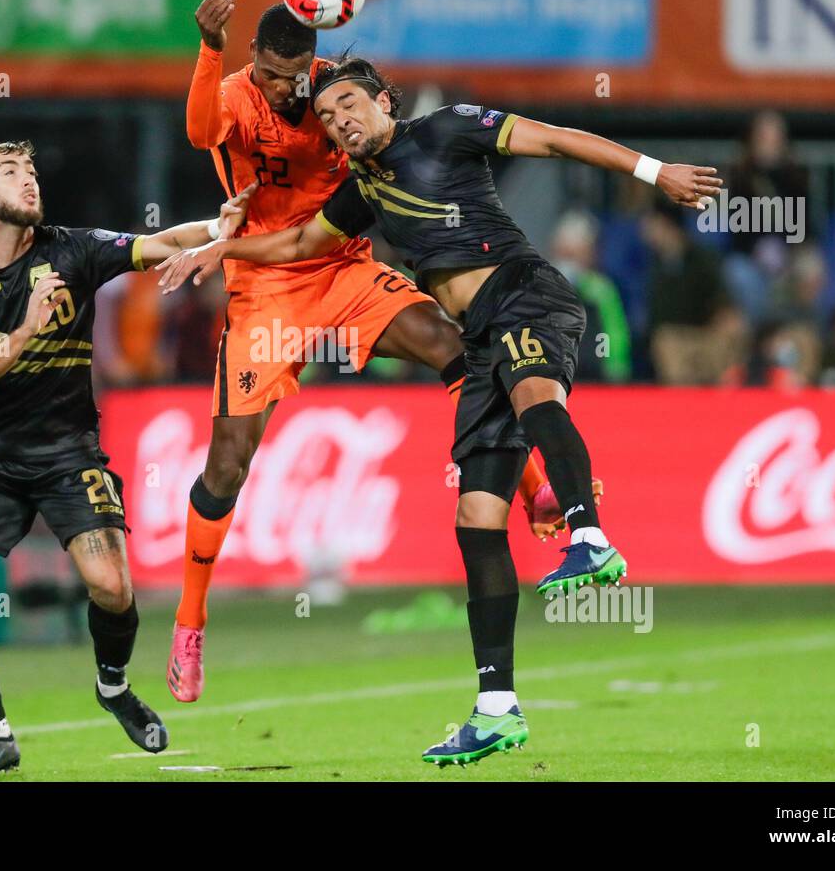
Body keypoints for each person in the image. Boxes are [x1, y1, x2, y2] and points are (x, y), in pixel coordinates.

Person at [158, 56, 722, 765]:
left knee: (534, 393)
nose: (339, 123)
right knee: (477, 518)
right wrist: (222, 247)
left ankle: (591, 535)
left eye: (349, 107)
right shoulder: (362, 190)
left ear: (385, 101)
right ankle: (497, 709)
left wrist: (653, 172)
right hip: (480, 338)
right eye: (328, 119)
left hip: (523, 293)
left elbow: (552, 139)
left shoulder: (448, 129)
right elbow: (302, 242)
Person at [168, 0, 595, 703]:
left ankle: (535, 490)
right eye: (275, 75)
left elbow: (385, 131)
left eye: (296, 74)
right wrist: (209, 49)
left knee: (457, 346)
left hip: (341, 264)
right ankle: (189, 620)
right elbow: (198, 129)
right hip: (269, 282)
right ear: (254, 61)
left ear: (314, 61)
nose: (288, 89)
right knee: (228, 463)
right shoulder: (237, 94)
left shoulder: (334, 93)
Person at [0, 140, 252, 776]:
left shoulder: (71, 248)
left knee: (110, 587)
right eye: (10, 173)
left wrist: (217, 226)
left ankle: (112, 688)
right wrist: (24, 329)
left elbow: (156, 243)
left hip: (68, 454)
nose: (28, 180)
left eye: (31, 170)